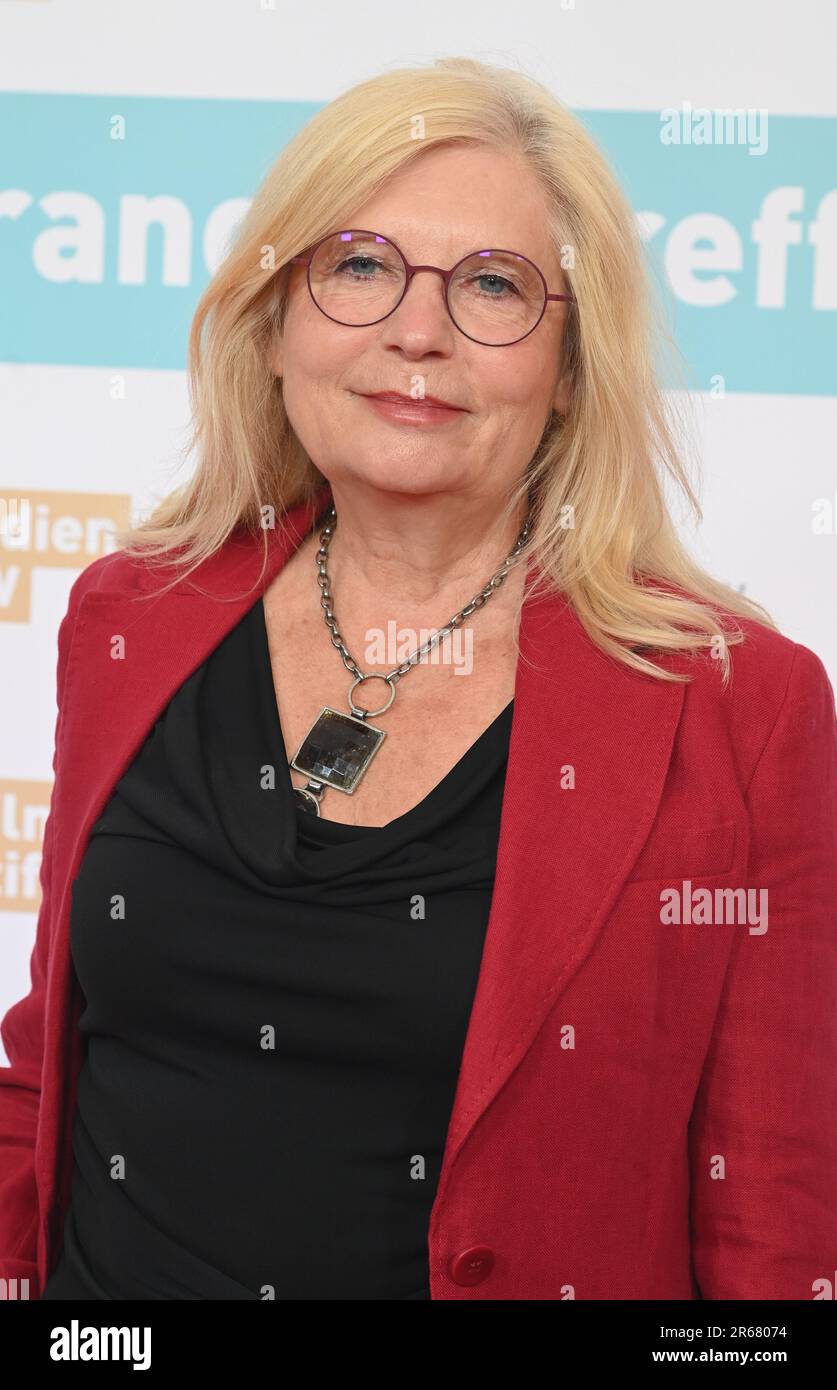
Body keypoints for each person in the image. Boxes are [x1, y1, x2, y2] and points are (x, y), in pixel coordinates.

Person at [1, 57, 835, 1302]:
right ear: (275, 316)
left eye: (494, 285)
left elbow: (773, 1201)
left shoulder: (739, 705)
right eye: (358, 263)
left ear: (570, 370)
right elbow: (52, 1059)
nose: (417, 330)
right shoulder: (132, 615)